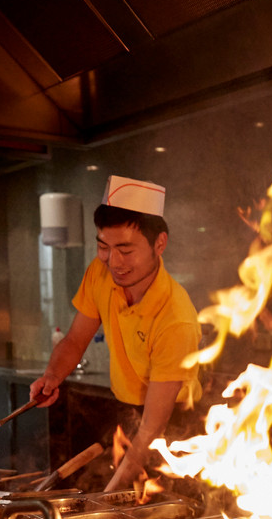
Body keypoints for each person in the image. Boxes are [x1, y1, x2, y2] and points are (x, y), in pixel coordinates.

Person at [30, 176, 201, 493]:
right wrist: (52, 376)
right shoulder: (100, 273)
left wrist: (111, 495)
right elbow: (75, 340)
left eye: (125, 249)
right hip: (128, 410)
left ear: (159, 244)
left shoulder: (175, 318)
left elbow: (153, 426)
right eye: (103, 246)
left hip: (175, 428)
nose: (114, 262)